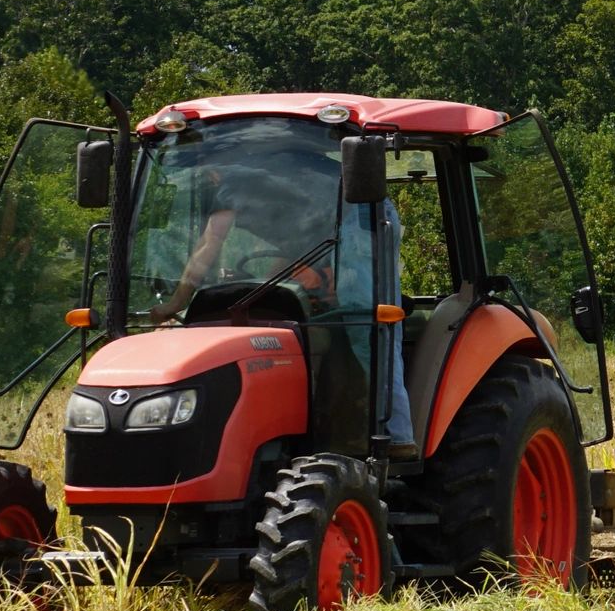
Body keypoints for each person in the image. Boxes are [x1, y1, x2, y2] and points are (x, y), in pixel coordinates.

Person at [147, 159, 418, 459]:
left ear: (211, 171)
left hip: (360, 209)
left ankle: (396, 437)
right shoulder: (272, 181)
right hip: (341, 214)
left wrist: (175, 303)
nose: (206, 186)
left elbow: (206, 247)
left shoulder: (232, 183)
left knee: (365, 321)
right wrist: (263, 286)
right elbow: (293, 251)